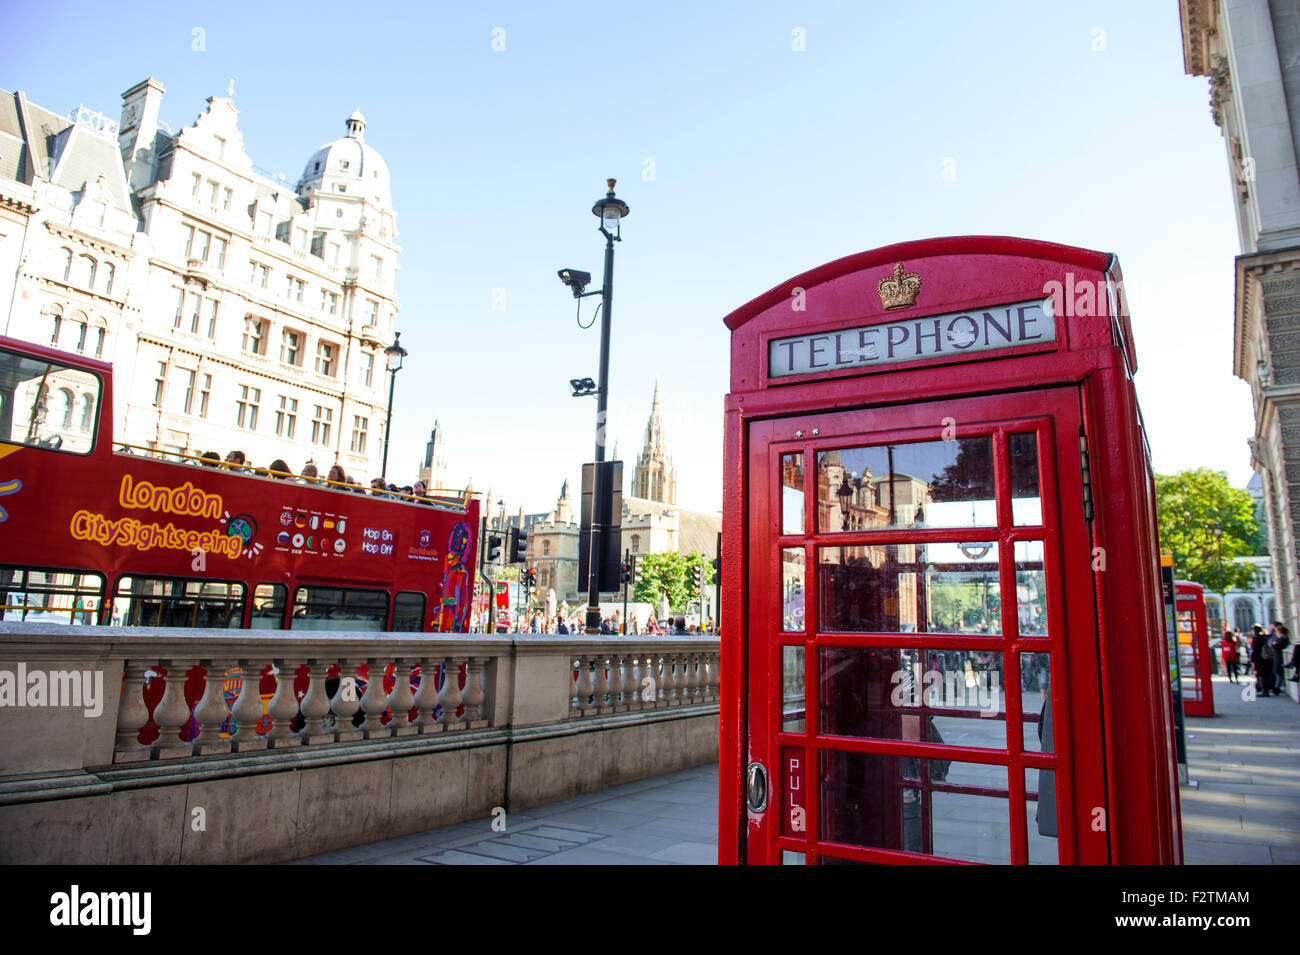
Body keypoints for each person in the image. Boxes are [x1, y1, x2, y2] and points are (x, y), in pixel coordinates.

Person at [1250, 624, 1276, 696]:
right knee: (1267, 674)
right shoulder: (1264, 637)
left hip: (1260, 658)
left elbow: (1255, 650)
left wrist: (1252, 659)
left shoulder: (1256, 638)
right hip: (1268, 657)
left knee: (1262, 675)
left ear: (1255, 631)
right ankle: (1268, 689)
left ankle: (1264, 691)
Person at [1269, 623, 1291, 694]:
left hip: (1278, 656)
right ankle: (1276, 687)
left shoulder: (1282, 638)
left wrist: (1274, 644)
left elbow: (1275, 645)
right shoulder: (1282, 638)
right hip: (1277, 656)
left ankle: (1277, 688)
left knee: (1278, 672)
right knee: (1278, 672)